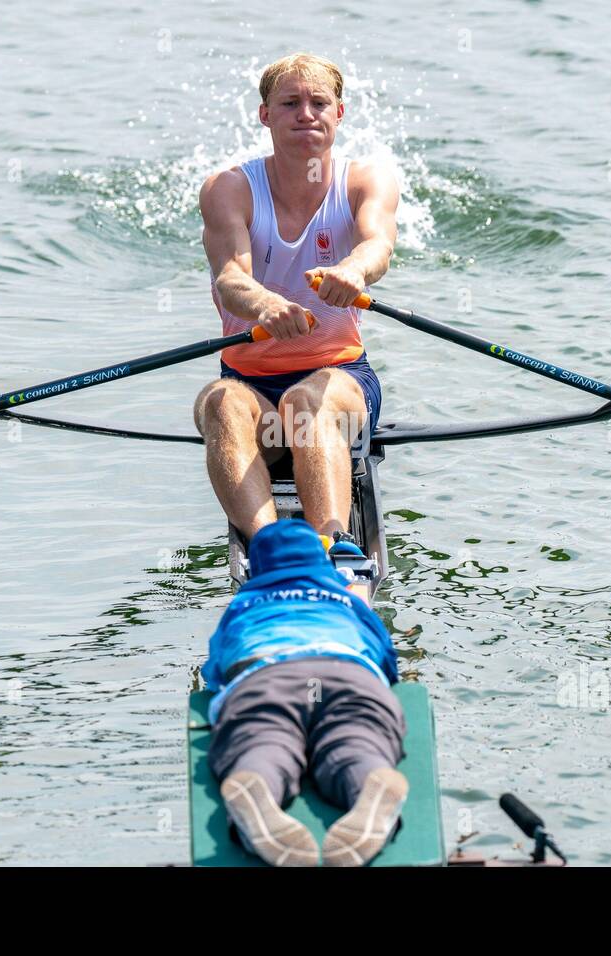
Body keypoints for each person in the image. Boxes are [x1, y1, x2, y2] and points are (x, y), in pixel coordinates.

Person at [193, 53, 399, 556]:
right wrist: (264, 304)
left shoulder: (366, 180)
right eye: (290, 103)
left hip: (340, 380)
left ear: (340, 113)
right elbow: (230, 278)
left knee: (305, 403)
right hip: (249, 390)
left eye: (318, 102)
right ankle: (273, 554)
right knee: (218, 401)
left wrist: (352, 270)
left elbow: (378, 246)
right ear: (265, 115)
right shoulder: (229, 189)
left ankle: (333, 544)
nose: (306, 113)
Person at [202, 518, 408, 866]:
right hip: (347, 668)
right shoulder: (347, 601)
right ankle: (369, 776)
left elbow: (216, 668)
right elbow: (387, 658)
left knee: (265, 740)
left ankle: (258, 781)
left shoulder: (244, 604)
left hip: (267, 672)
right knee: (355, 738)